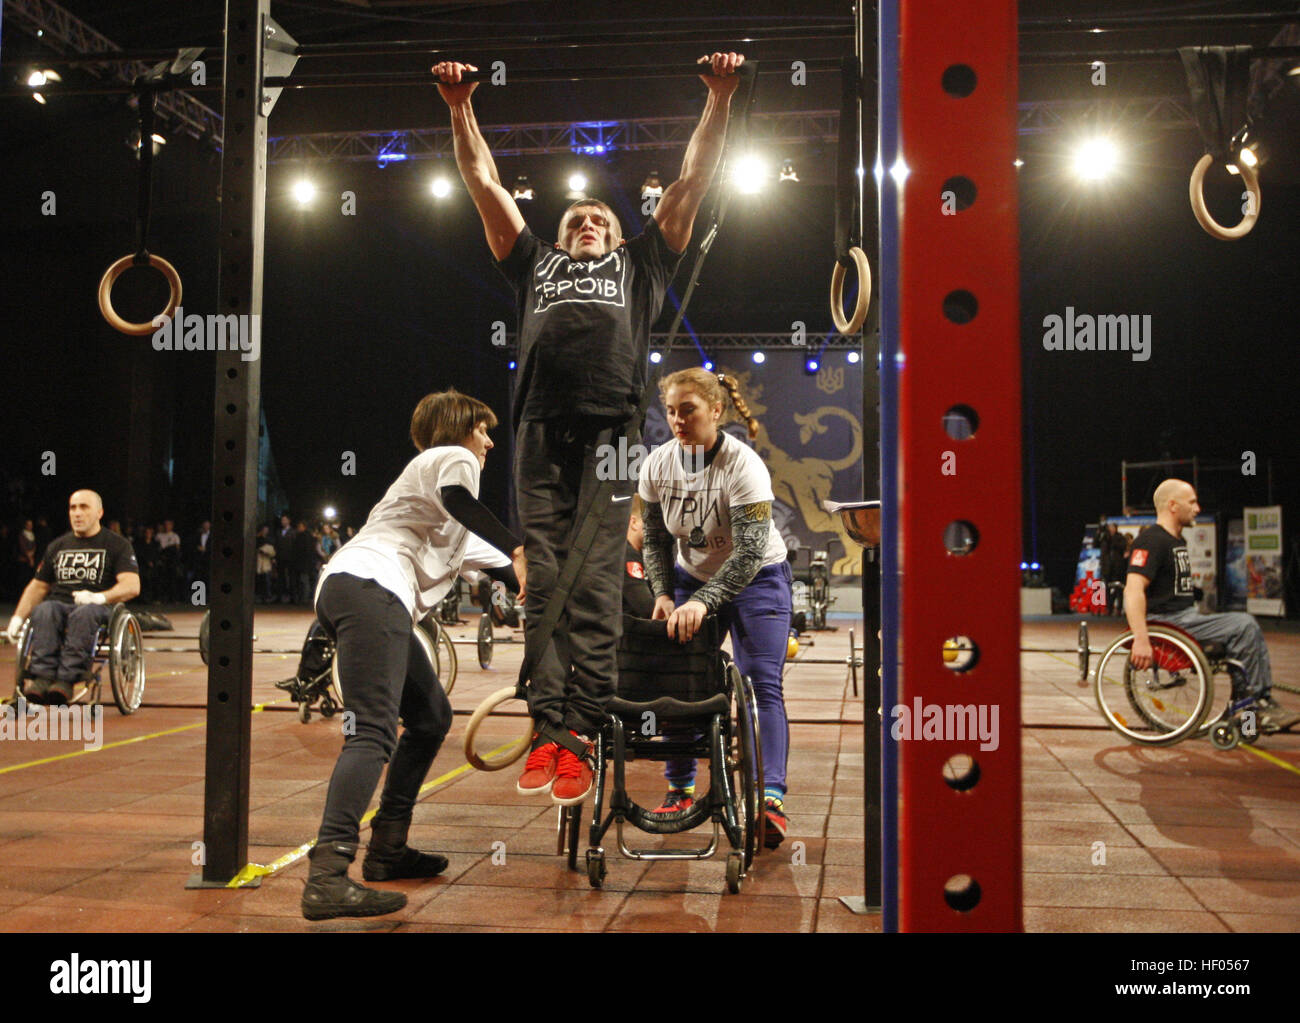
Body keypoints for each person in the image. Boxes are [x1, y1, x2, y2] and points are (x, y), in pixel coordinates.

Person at [434, 50, 746, 806]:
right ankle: (550, 730)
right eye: (576, 218)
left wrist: (720, 95)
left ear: (617, 234)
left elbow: (691, 181)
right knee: (541, 583)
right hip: (541, 430)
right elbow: (482, 181)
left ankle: (579, 736)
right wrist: (459, 104)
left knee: (600, 585)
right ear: (560, 231)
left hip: (611, 436)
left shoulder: (641, 265)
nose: (588, 223)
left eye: (600, 218)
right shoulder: (531, 261)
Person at [303, 389, 526, 921]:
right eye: (482, 430)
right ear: (458, 428)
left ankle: (387, 851)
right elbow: (464, 502)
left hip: (367, 593)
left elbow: (508, 570)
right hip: (368, 584)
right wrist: (519, 546)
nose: (489, 442)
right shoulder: (447, 459)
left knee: (430, 718)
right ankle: (327, 877)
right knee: (373, 732)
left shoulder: (451, 530)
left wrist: (527, 581)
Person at [638, 369, 794, 846]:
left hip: (759, 577)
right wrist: (664, 594)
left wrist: (704, 603)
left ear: (716, 412)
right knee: (683, 684)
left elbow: (747, 553)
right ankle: (680, 788)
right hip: (691, 576)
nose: (678, 420)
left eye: (689, 410)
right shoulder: (657, 465)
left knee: (760, 682)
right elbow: (656, 541)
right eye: (671, 410)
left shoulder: (743, 466)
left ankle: (770, 798)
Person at [1124, 478, 1299, 733]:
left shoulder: (1176, 541)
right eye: (1192, 502)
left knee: (1238, 630)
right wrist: (1140, 639)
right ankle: (1256, 705)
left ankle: (1248, 705)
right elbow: (1133, 589)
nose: (1197, 508)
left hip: (1185, 616)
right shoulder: (1152, 540)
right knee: (1244, 625)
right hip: (1171, 623)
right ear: (1172, 505)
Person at [5, 490, 140, 704]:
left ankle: (66, 680)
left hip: (96, 607)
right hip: (60, 604)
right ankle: (42, 678)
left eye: (84, 507)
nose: (77, 513)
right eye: (73, 508)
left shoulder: (117, 544)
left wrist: (100, 597)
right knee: (44, 609)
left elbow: (132, 586)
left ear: (99, 512)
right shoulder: (58, 546)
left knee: (85, 613)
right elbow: (38, 587)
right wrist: (18, 618)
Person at [623, 497, 655, 619]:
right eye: (650, 522)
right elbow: (646, 606)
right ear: (634, 522)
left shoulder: (637, 553)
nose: (655, 529)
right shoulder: (627, 554)